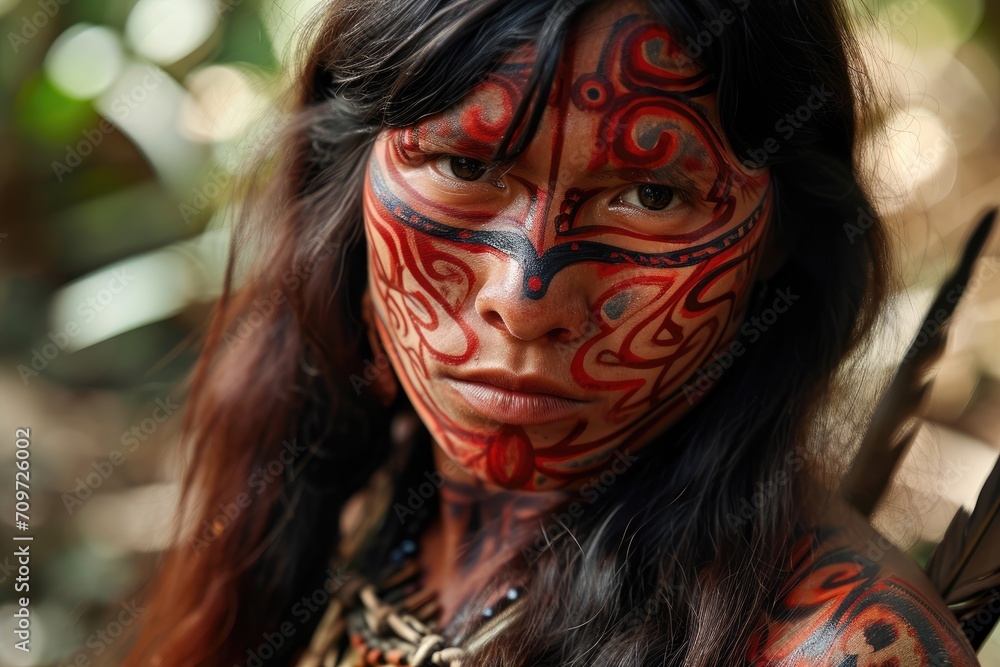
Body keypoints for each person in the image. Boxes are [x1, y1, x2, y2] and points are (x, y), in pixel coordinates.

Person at [122, 0, 983, 664]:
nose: (525, 294)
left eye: (649, 194)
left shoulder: (846, 647)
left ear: (783, 243)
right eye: (465, 166)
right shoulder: (348, 513)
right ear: (346, 187)